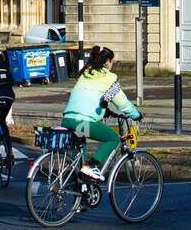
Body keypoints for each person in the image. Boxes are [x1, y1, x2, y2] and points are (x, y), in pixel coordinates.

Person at [60, 45, 141, 182]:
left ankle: (80, 188)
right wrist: (136, 115)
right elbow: (122, 103)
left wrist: (106, 111)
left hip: (68, 120)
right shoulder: (110, 78)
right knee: (113, 139)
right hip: (83, 122)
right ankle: (92, 165)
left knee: (79, 160)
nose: (112, 64)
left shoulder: (86, 73)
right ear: (107, 62)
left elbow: (96, 99)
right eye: (112, 61)